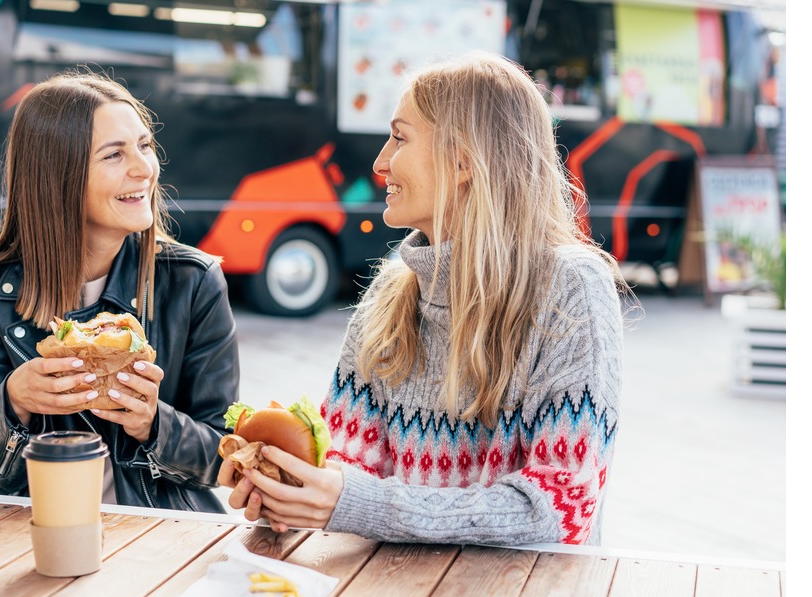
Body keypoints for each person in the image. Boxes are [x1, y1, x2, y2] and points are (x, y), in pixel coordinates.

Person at [219, 51, 635, 546]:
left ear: (462, 160)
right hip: (395, 594)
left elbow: (561, 506)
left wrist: (348, 502)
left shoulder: (572, 287)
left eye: (399, 138)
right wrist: (287, 491)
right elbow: (345, 464)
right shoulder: (394, 289)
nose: (380, 163)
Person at [0, 68, 239, 513]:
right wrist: (14, 402)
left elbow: (224, 458)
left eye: (145, 146)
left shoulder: (193, 280)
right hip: (40, 531)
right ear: (58, 176)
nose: (144, 168)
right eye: (114, 155)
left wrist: (153, 422)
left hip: (161, 532)